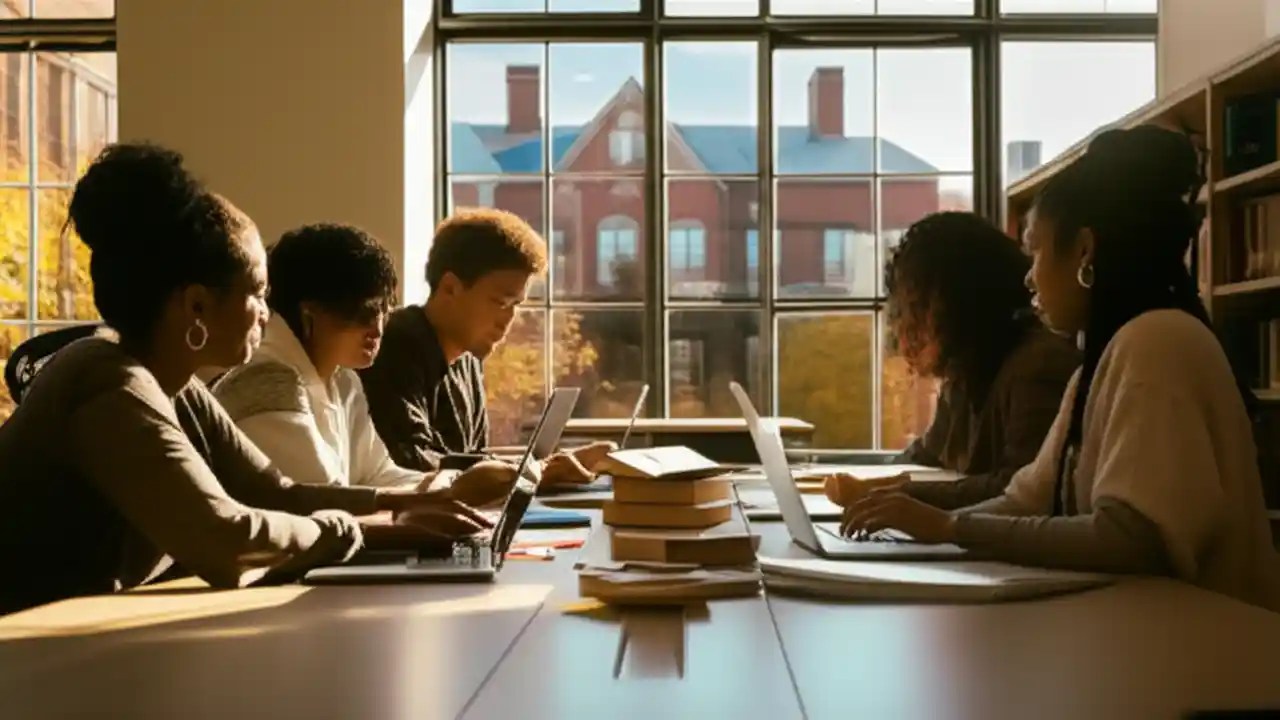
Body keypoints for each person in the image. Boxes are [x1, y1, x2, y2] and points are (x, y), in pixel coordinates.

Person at [0, 143, 489, 615]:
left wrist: (415, 501)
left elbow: (276, 492)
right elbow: (225, 539)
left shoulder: (178, 386)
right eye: (257, 292)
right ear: (196, 305)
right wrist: (376, 531)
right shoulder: (109, 384)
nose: (265, 312)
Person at [837, 126, 1280, 611]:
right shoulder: (1101, 362)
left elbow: (1132, 537)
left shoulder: (1158, 343)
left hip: (1216, 654)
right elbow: (1026, 498)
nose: (1028, 275)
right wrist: (917, 520)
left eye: (1037, 250)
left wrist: (949, 528)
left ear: (1084, 251)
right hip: (1156, 636)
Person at [212, 223, 515, 507]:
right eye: (363, 313)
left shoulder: (343, 380)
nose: (378, 327)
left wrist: (451, 484)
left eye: (384, 310)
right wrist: (446, 493)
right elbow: (324, 500)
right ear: (310, 313)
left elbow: (377, 474)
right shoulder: (266, 379)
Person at [825, 212, 1079, 509]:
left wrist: (897, 494)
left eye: (919, 307)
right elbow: (926, 457)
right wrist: (865, 483)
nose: (905, 324)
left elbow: (1019, 491)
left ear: (960, 298)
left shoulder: (1037, 367)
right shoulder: (968, 367)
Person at [358, 208, 615, 487]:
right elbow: (411, 463)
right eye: (500, 303)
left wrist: (545, 465)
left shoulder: (468, 360)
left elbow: (470, 460)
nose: (508, 320)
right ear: (450, 288)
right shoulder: (392, 348)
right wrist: (532, 471)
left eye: (516, 305)